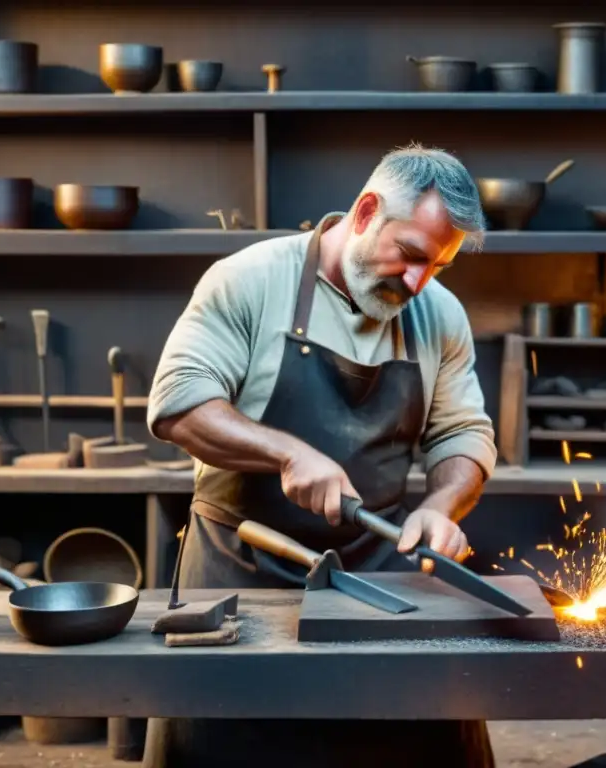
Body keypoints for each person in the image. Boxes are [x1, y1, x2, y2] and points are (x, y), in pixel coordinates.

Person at [143, 143, 497, 768]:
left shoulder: (438, 314)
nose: (416, 283)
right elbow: (177, 402)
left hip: (376, 585)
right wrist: (286, 453)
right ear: (365, 213)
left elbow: (465, 436)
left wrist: (444, 505)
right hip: (241, 582)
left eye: (436, 267)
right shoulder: (252, 278)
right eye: (410, 254)